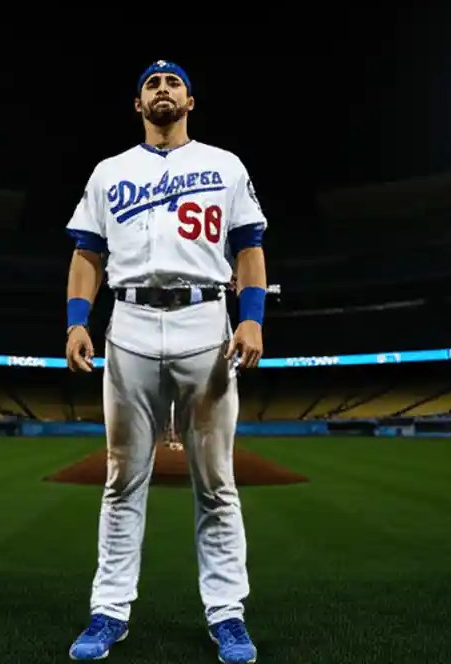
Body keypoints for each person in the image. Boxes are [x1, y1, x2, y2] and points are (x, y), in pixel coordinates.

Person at [62, 60, 268, 664]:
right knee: (121, 480)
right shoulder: (110, 171)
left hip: (206, 321)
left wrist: (252, 316)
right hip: (126, 325)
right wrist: (77, 319)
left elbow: (248, 245)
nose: (162, 89)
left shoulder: (225, 164)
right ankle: (109, 611)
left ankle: (227, 615)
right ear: (137, 105)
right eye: (151, 84)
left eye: (172, 82)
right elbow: (87, 252)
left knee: (218, 484)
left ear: (191, 100)